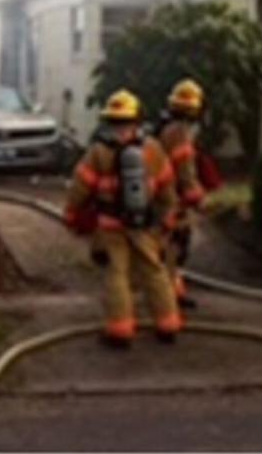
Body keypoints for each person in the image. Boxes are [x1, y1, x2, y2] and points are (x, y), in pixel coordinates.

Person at [64, 89, 182, 347]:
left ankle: (120, 331)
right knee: (155, 271)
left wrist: (71, 213)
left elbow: (80, 187)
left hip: (111, 226)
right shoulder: (153, 149)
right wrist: (169, 216)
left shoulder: (99, 151)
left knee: (117, 274)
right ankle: (168, 325)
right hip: (144, 224)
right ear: (137, 120)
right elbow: (167, 186)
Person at [155, 78, 207, 310]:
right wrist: (195, 195)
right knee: (174, 248)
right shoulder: (180, 133)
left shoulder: (165, 128)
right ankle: (166, 297)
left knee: (171, 248)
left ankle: (174, 291)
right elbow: (184, 169)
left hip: (162, 196)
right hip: (172, 200)